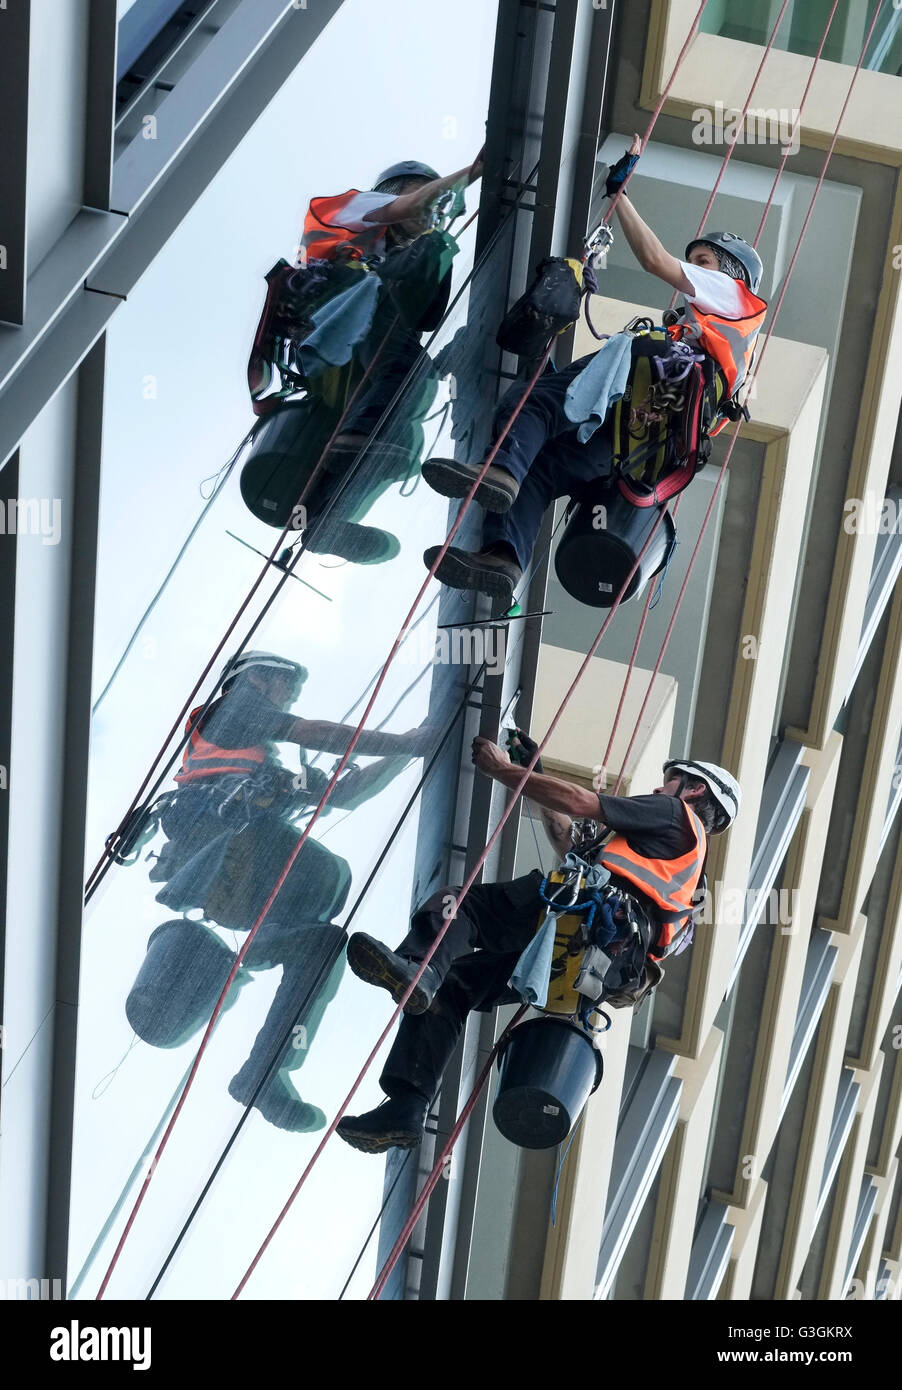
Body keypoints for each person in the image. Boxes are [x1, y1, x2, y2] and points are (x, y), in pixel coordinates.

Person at [336, 734, 740, 1153]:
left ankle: (416, 968)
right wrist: (536, 771)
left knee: (464, 906)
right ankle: (406, 1106)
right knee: (457, 986)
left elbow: (581, 802)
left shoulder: (674, 814)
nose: (659, 788)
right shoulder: (688, 881)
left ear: (694, 789)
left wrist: (502, 770)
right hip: (582, 970)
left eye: (671, 780)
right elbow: (568, 840)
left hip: (581, 915)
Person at [418, 133, 767, 602]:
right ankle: (503, 559)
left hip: (651, 375)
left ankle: (497, 471)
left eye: (704, 261)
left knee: (537, 402)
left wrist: (619, 194)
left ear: (731, 272)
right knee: (541, 469)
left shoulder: (731, 294)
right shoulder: (737, 347)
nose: (695, 270)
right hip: (640, 440)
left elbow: (653, 259)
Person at [129, 650, 430, 1133]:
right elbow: (310, 731)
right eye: (285, 684)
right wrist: (407, 741)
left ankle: (264, 1072)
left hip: (241, 882)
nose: (290, 695)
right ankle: (266, 956)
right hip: (218, 853)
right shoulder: (231, 710)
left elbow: (344, 794)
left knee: (323, 944)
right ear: (257, 678)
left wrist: (410, 748)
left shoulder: (267, 774)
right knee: (323, 874)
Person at [244, 156, 484, 563]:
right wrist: (468, 175)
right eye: (418, 191)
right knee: (405, 378)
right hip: (334, 313)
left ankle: (327, 518)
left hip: (355, 357)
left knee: (405, 429)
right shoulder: (352, 207)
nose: (427, 209)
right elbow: (407, 209)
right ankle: (360, 438)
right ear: (394, 189)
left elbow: (421, 322)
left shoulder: (410, 257)